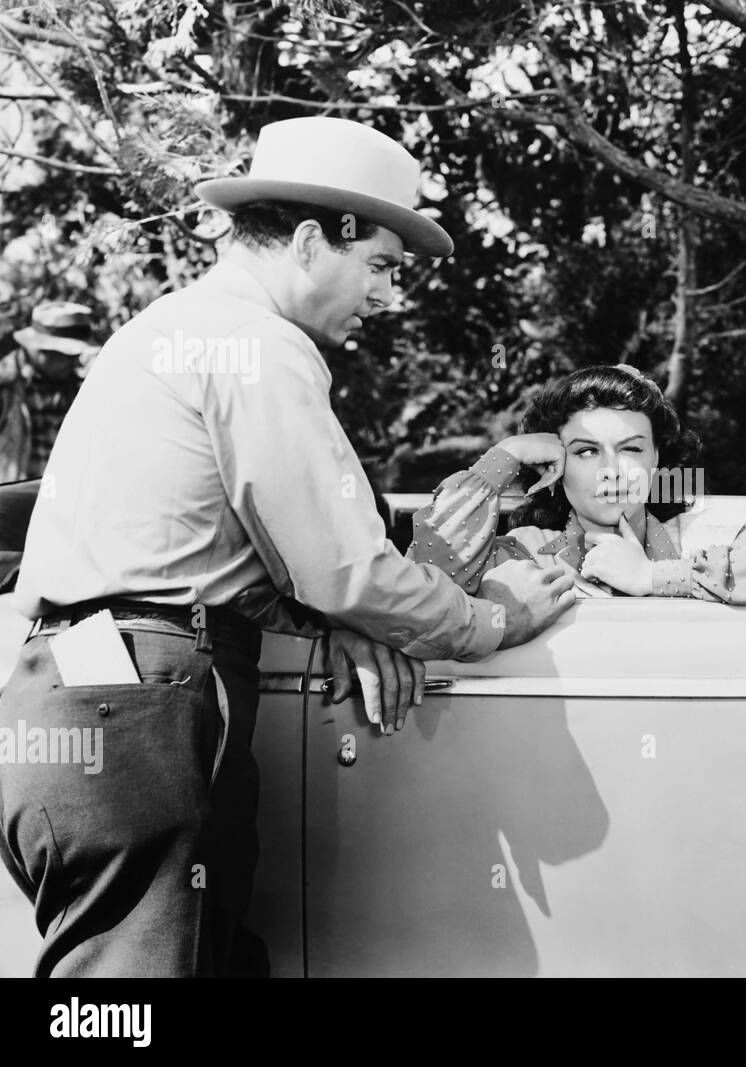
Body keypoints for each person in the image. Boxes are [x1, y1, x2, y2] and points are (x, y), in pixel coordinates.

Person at [0, 116, 575, 978]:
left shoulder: (167, 329)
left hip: (78, 696)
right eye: (379, 265)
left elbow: (208, 552)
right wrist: (493, 620)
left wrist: (330, 622)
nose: (387, 296)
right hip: (145, 711)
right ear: (311, 240)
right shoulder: (261, 348)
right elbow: (346, 568)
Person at [407, 364, 746, 603]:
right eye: (586, 452)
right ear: (553, 469)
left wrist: (653, 576)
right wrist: (503, 458)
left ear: (657, 460)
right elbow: (427, 579)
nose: (612, 470)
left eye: (631, 449)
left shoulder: (709, 533)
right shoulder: (525, 550)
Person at [0, 301, 99, 481]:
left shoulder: (76, 388)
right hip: (14, 501)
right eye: (68, 356)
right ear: (43, 351)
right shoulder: (7, 387)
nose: (74, 362)